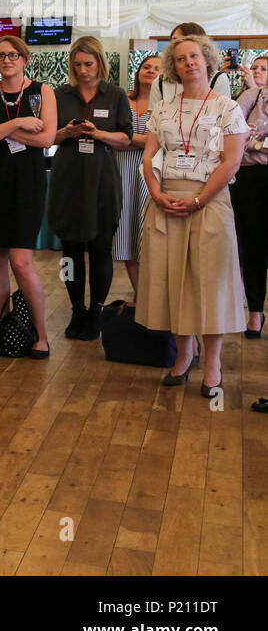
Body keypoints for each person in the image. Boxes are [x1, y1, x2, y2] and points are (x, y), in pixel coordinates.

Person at [139, 34, 248, 395]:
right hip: (167, 201)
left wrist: (199, 200)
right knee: (174, 282)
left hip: (210, 203)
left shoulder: (227, 108)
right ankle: (184, 356)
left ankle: (213, 363)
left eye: (195, 56)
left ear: (207, 61)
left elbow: (231, 163)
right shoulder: (163, 108)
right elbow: (149, 157)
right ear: (174, 66)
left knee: (210, 284)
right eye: (182, 58)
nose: (189, 63)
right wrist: (156, 193)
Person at [0, 36, 57, 358]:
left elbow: (46, 137)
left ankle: (41, 335)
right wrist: (18, 123)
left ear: (25, 59)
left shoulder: (43, 91)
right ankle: (7, 330)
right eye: (1, 55)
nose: (6, 60)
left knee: (21, 262)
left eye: (13, 55)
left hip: (27, 185)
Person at [48, 37, 133, 340]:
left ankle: (96, 311)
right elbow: (47, 139)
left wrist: (100, 134)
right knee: (70, 253)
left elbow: (126, 138)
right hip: (68, 179)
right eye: (78, 64)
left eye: (88, 63)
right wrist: (66, 132)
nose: (83, 70)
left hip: (103, 180)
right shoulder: (58, 95)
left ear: (99, 62)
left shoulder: (116, 95)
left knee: (100, 250)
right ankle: (76, 310)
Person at [116, 54, 161, 303]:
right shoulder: (122, 99)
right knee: (126, 235)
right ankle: (140, 295)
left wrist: (125, 138)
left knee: (149, 236)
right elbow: (111, 134)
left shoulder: (166, 104)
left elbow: (160, 142)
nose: (151, 71)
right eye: (146, 66)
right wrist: (142, 140)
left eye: (157, 68)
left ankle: (155, 296)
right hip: (121, 170)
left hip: (152, 172)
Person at [231, 54, 268, 339]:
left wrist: (253, 142)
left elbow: (250, 140)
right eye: (255, 68)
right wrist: (255, 143)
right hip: (251, 179)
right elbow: (231, 131)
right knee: (252, 245)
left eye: (263, 68)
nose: (258, 72)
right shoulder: (251, 96)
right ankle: (255, 312)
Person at [150, 23, 232, 109]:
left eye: (193, 55)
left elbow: (223, 112)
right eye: (174, 41)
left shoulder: (218, 79)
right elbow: (154, 119)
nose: (180, 45)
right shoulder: (159, 82)